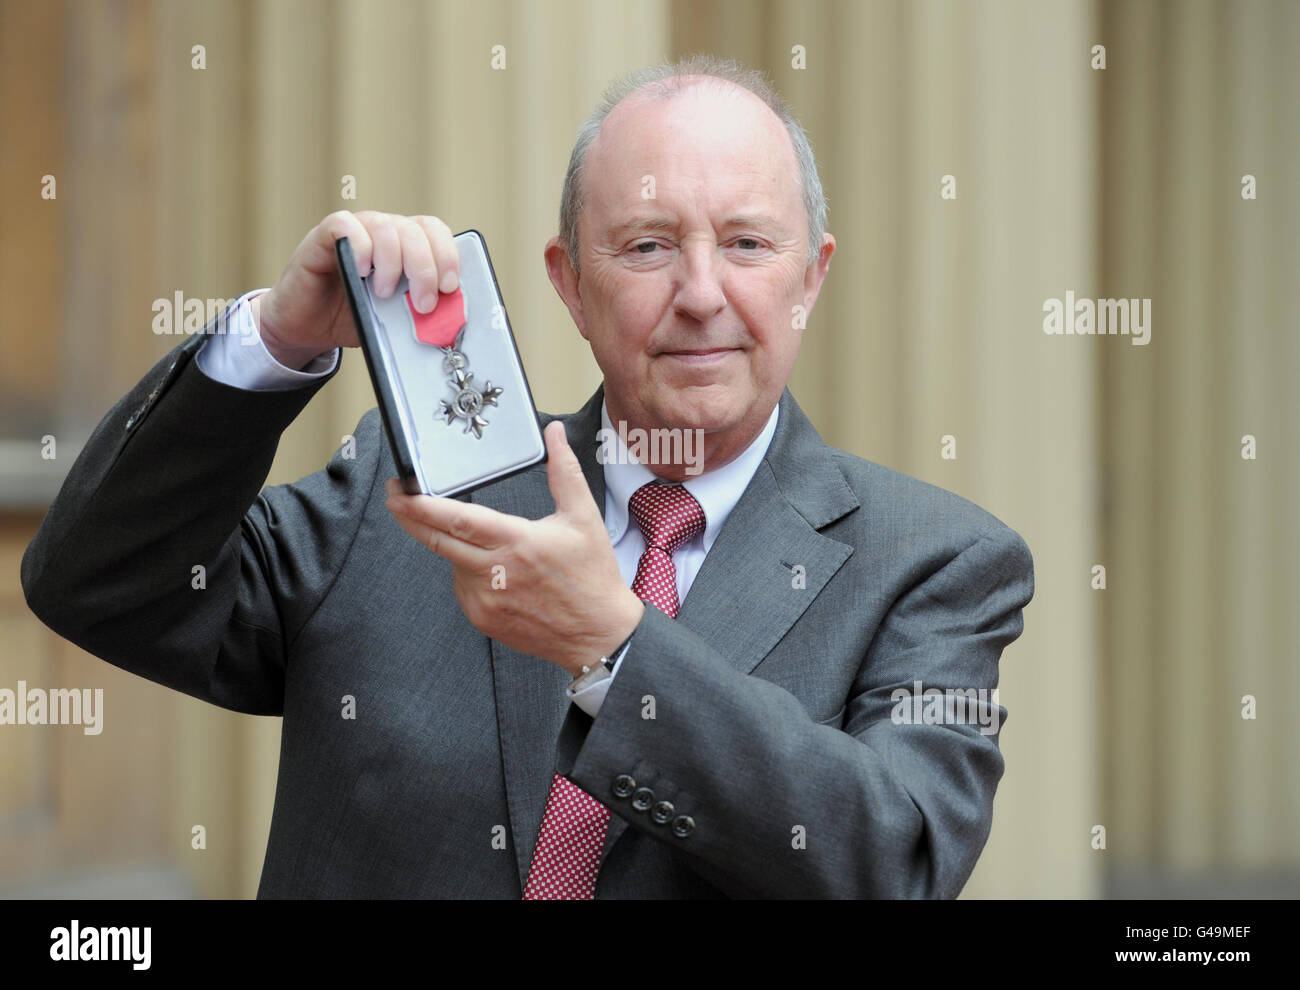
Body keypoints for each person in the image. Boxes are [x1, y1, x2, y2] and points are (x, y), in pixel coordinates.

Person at [21, 55, 1033, 898]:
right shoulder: (413, 491)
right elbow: (102, 581)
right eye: (645, 246)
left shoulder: (936, 562)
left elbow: (893, 858)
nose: (699, 294)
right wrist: (274, 343)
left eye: (746, 244)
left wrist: (612, 649)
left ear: (811, 275)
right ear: (568, 283)